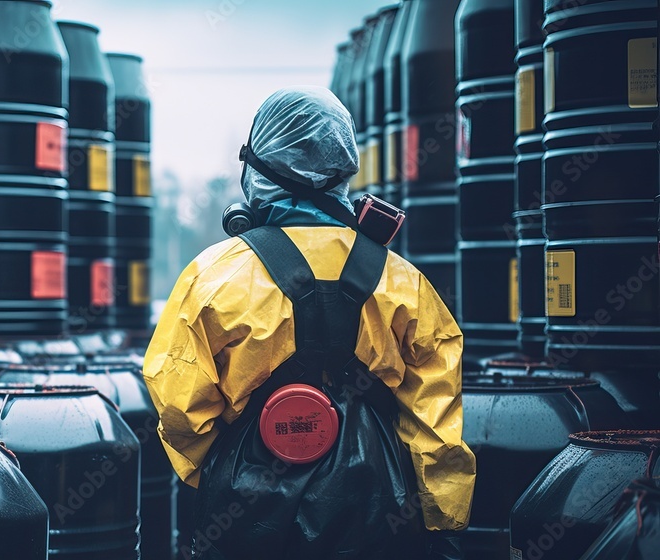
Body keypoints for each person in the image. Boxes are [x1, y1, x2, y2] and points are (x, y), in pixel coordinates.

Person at [142, 86, 476, 559]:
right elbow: (436, 417)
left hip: (245, 516)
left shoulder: (213, 277)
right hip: (376, 514)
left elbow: (179, 408)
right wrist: (441, 521)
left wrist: (223, 475)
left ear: (258, 167)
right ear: (342, 167)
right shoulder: (401, 280)